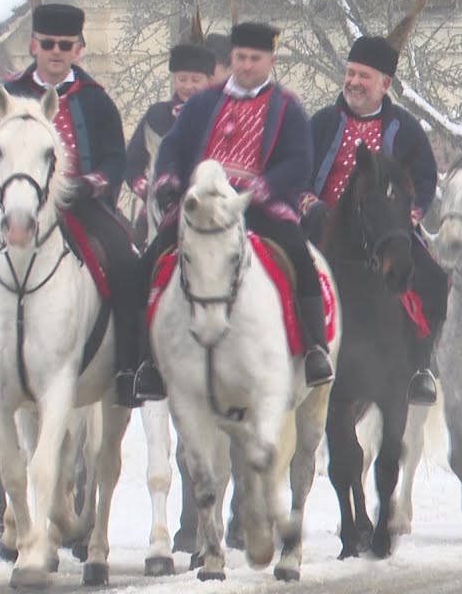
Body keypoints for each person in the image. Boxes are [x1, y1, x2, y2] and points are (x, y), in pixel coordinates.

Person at [0, 3, 139, 409]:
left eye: (65, 45)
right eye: (48, 44)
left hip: (79, 204)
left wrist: (90, 186)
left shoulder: (96, 101)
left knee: (129, 265)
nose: (56, 51)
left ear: (78, 49)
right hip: (11, 204)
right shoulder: (5, 95)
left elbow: (115, 160)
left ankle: (128, 366)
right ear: (33, 45)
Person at [127, 21, 334, 402]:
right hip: (203, 207)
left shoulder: (286, 108)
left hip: (259, 207)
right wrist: (170, 180)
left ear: (271, 60)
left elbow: (299, 161)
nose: (246, 65)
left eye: (255, 59)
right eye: (240, 57)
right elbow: (173, 145)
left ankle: (315, 348)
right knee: (148, 265)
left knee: (299, 256)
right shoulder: (204, 102)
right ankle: (146, 362)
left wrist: (261, 187)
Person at [299, 27, 445, 405]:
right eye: (350, 73)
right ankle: (304, 352)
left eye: (363, 76)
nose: (353, 82)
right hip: (325, 227)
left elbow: (425, 180)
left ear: (385, 84)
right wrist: (311, 207)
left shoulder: (406, 129)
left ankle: (420, 368)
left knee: (431, 278)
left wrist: (410, 214)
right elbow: (298, 177)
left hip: (385, 231)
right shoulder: (322, 124)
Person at [123, 35, 216, 241]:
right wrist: (151, 192)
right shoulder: (156, 116)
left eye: (195, 80)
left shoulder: (220, 117)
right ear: (174, 80)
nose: (188, 86)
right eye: (182, 79)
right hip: (159, 212)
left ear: (209, 81)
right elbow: (132, 164)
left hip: (211, 211)